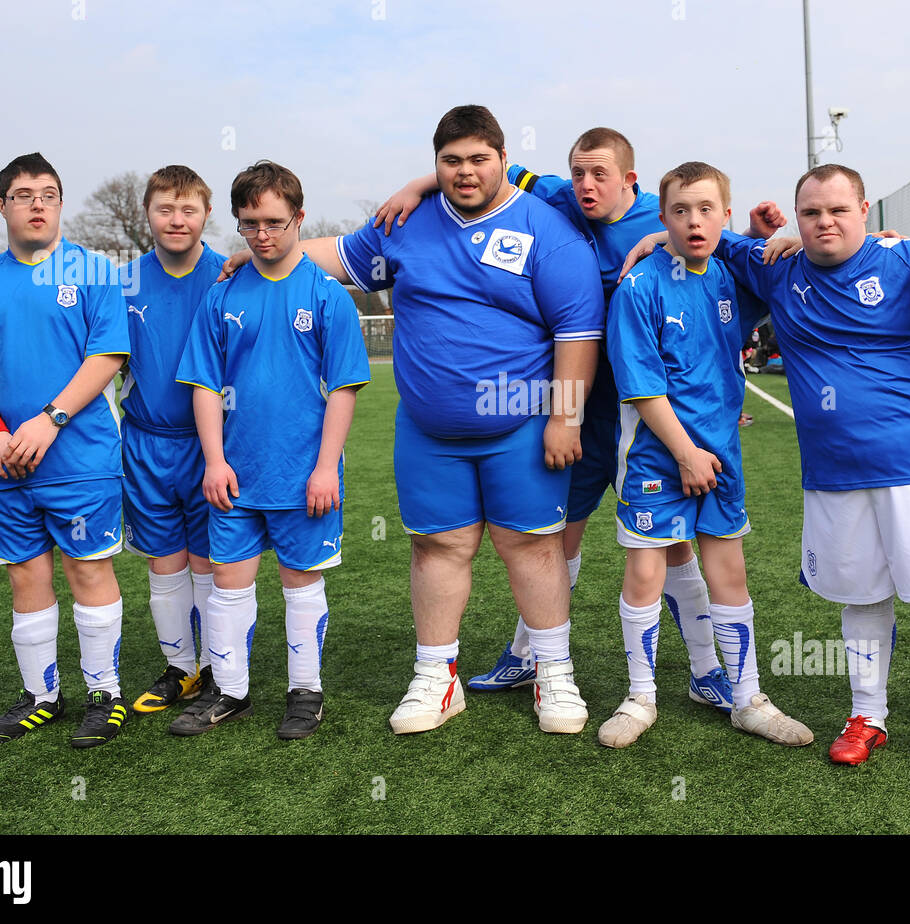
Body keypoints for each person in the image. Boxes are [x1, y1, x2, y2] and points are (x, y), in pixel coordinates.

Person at [624, 163, 910, 771]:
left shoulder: (909, 260)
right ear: (799, 218)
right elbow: (694, 227)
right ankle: (868, 716)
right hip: (834, 473)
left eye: (838, 210)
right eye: (811, 213)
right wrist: (657, 235)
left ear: (864, 210)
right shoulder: (776, 264)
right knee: (862, 595)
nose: (825, 223)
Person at [371, 127, 784, 709]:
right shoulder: (559, 197)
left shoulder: (661, 220)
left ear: (632, 182)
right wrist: (419, 184)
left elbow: (718, 250)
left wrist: (762, 235)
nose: (587, 186)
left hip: (653, 409)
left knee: (672, 544)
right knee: (556, 532)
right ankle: (530, 656)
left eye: (601, 175)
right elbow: (489, 175)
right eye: (579, 173)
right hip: (581, 406)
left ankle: (705, 667)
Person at [248, 106, 602, 735]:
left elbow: (578, 333)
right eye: (451, 161)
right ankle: (437, 679)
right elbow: (334, 256)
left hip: (519, 421)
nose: (465, 172)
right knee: (438, 545)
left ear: (502, 159)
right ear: (434, 164)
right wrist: (262, 252)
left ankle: (555, 672)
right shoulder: (406, 222)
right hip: (428, 429)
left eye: (478, 159)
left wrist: (565, 420)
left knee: (532, 546)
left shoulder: (549, 230)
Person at [600, 161, 810, 748]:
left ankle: (747, 698)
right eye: (680, 210)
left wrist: (760, 236)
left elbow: (782, 260)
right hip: (656, 456)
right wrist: (687, 453)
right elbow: (641, 386)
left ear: (723, 214)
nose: (694, 221)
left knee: (730, 570)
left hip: (721, 455)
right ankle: (640, 696)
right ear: (661, 216)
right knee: (646, 570)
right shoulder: (639, 286)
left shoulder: (727, 277)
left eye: (706, 209)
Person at [171, 160, 370, 739]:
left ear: (299, 219)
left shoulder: (328, 296)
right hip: (235, 473)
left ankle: (305, 693)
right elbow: (205, 385)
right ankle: (229, 693)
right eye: (250, 223)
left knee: (301, 583)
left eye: (275, 222)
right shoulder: (222, 295)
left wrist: (326, 467)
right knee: (229, 586)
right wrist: (213, 459)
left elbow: (343, 389)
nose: (263, 234)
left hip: (304, 474)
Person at [0, 152, 131, 748]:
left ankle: (105, 694)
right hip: (5, 461)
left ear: (60, 203)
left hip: (80, 458)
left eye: (48, 193)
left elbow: (107, 358)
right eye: (23, 194)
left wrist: (50, 420)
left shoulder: (95, 271)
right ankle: (41, 696)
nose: (37, 204)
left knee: (87, 569)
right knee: (25, 574)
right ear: (2, 205)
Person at [119, 166, 226, 715]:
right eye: (166, 209)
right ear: (148, 214)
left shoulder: (229, 274)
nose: (177, 219)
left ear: (207, 214)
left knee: (209, 561)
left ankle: (214, 668)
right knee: (164, 559)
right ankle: (178, 668)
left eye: (188, 209)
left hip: (212, 446)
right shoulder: (122, 281)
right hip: (145, 441)